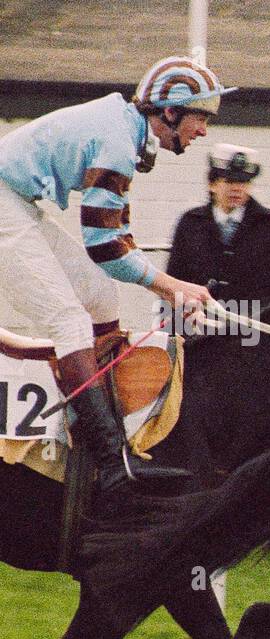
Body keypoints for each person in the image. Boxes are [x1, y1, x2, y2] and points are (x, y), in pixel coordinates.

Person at [0, 55, 233, 496]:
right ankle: (110, 460)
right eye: (201, 117)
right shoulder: (118, 143)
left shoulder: (125, 130)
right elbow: (105, 246)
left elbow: (114, 241)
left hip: (16, 204)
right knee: (69, 320)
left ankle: (100, 425)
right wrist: (173, 286)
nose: (203, 131)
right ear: (169, 111)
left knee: (101, 296)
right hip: (5, 204)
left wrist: (169, 285)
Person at [166, 143, 270, 318]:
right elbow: (173, 282)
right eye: (229, 181)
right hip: (199, 329)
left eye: (243, 181)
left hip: (252, 331)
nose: (237, 188)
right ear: (212, 184)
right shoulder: (190, 224)